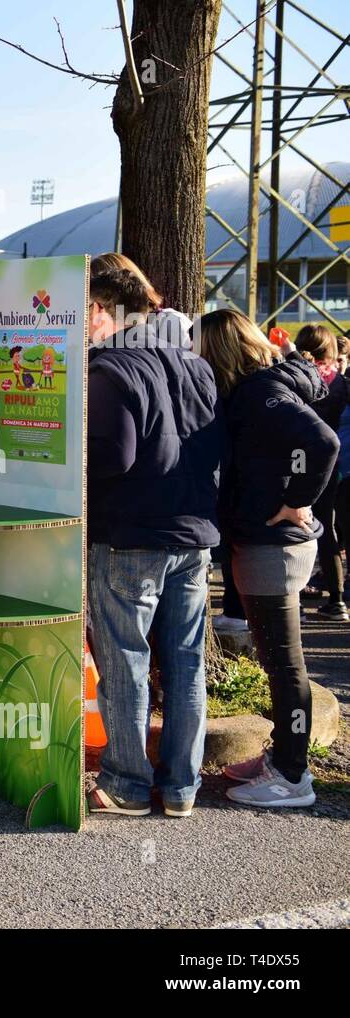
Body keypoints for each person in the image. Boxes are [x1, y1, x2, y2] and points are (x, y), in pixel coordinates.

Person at [85, 263, 223, 818]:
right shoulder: (195, 366)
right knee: (186, 661)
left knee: (126, 661)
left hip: (131, 537)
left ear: (99, 309)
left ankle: (128, 783)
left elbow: (112, 457)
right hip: (192, 535)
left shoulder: (113, 368)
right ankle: (182, 787)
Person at [199, 311, 338, 809]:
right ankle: (283, 758)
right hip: (271, 542)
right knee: (281, 662)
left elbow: (322, 442)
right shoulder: (269, 385)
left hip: (273, 545)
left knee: (284, 664)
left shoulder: (260, 394)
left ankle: (292, 775)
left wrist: (298, 499)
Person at [293, 324, 348, 620]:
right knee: (328, 528)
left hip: (298, 460)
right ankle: (337, 600)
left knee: (297, 528)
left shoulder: (296, 379)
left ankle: (296, 600)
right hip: (333, 464)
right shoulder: (341, 383)